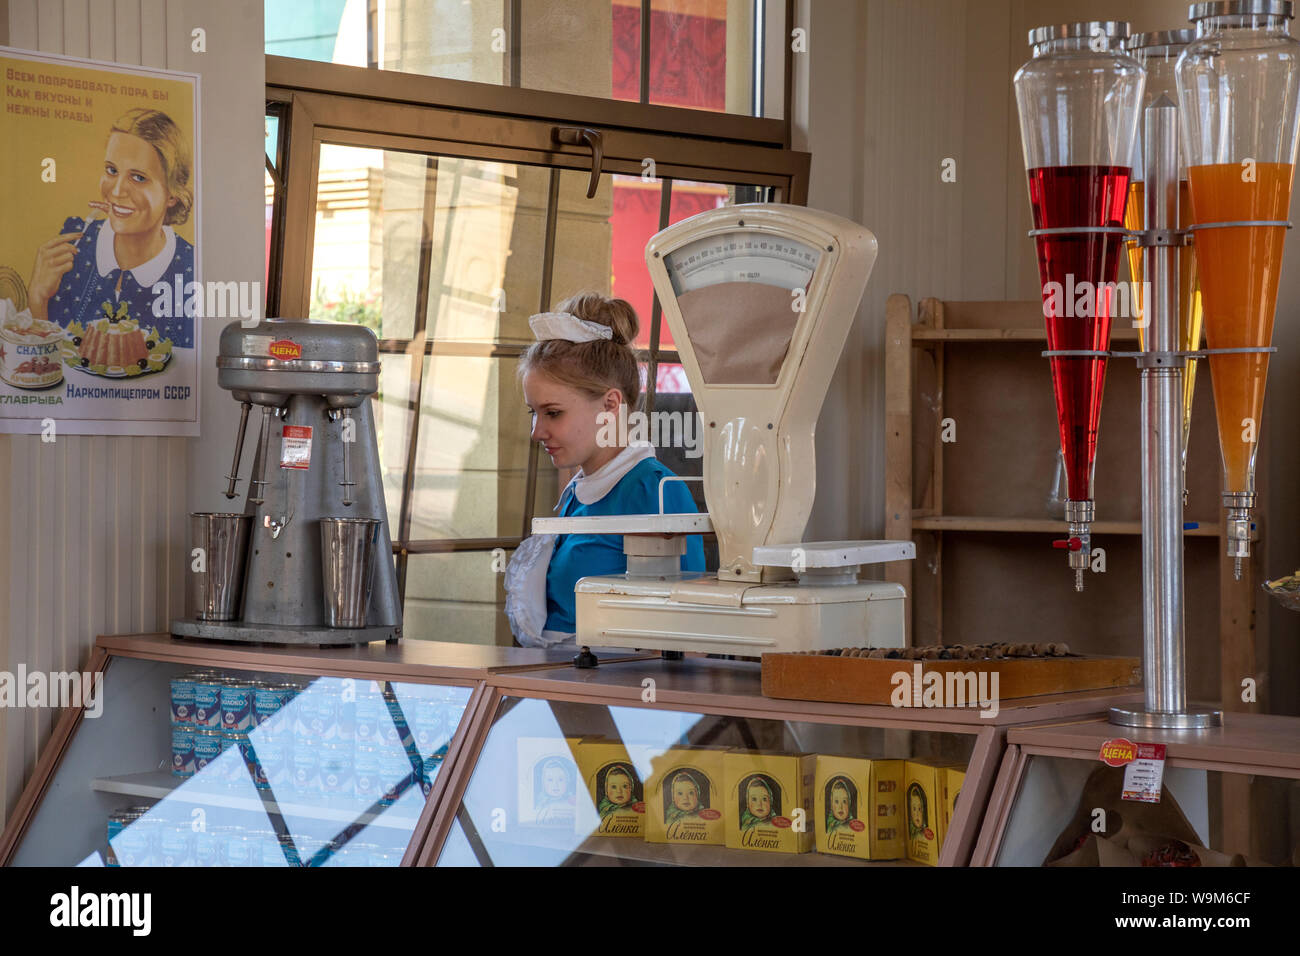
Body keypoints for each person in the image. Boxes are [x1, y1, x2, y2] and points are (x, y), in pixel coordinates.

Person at [504, 291, 706, 646]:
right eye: (532, 413)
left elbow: (692, 632)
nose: (537, 432)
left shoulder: (656, 491)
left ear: (611, 404)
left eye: (553, 413)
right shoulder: (577, 493)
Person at [26, 107, 195, 348]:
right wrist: (38, 300)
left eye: (138, 177)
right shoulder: (71, 242)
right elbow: (46, 369)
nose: (116, 192)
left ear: (172, 194)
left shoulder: (191, 268)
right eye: (112, 170)